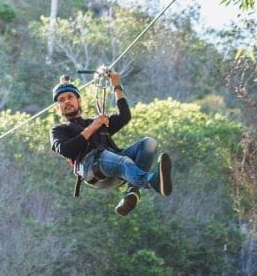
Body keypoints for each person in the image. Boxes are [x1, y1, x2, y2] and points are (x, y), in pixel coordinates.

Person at [49, 71, 172, 216]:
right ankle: (151, 181)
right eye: (62, 100)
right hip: (93, 168)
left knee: (148, 143)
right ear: (58, 107)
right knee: (123, 161)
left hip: (114, 163)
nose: (67, 102)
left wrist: (116, 85)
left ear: (79, 100)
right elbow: (66, 150)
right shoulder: (59, 129)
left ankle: (132, 193)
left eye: (70, 97)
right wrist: (94, 126)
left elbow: (124, 116)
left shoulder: (97, 122)